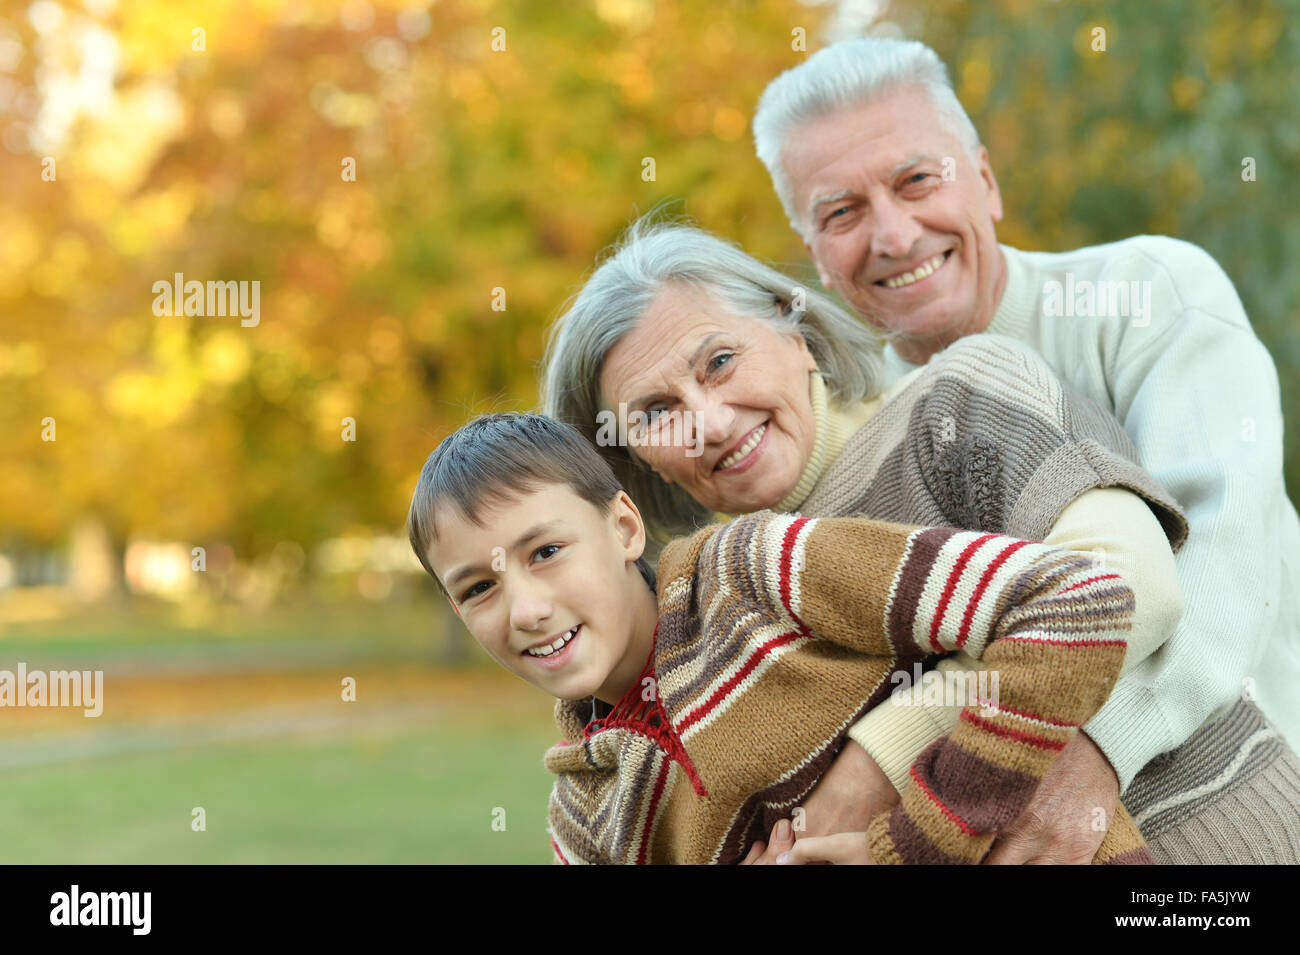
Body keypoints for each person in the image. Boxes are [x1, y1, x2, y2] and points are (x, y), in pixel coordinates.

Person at [750, 35, 1300, 863]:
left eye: (916, 181)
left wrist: (1094, 752)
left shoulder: (1149, 295)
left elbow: (1222, 562)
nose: (894, 235)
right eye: (842, 212)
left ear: (988, 182)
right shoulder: (850, 437)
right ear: (817, 255)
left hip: (1247, 818)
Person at [540, 218, 1195, 861]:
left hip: (1199, 828)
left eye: (719, 361)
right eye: (657, 412)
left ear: (791, 329)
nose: (707, 423)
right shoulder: (706, 604)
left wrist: (877, 760)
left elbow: (1131, 584)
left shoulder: (961, 397)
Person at [407, 411, 1156, 864]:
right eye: (479, 586)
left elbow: (1073, 598)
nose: (527, 608)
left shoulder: (753, 571)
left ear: (623, 525)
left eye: (546, 552)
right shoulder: (586, 819)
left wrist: (927, 838)